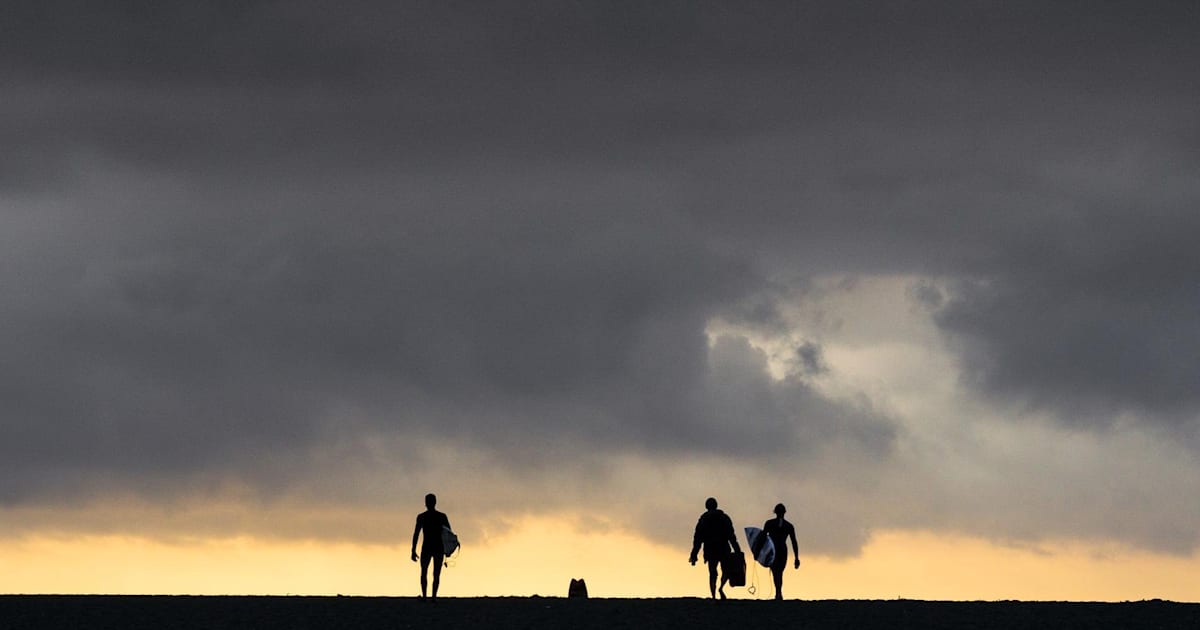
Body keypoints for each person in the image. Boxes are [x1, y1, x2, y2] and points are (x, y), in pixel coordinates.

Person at [689, 497, 741, 600]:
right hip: (723, 548)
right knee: (726, 571)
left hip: (710, 549)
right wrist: (737, 550)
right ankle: (721, 588)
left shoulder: (703, 519)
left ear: (706, 507)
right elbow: (731, 535)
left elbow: (698, 538)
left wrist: (694, 554)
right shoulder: (724, 517)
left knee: (712, 572)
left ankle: (713, 596)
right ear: (716, 505)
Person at [411, 493, 451, 600]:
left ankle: (425, 596)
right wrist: (448, 550)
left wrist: (413, 550)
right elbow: (449, 534)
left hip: (428, 547)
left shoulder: (422, 517)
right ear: (435, 502)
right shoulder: (441, 516)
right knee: (435, 573)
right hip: (437, 547)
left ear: (425, 503)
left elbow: (416, 534)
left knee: (425, 572)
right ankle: (433, 597)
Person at [762, 503, 800, 600]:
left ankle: (778, 592)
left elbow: (762, 539)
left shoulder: (769, 523)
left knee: (776, 571)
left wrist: (758, 552)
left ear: (775, 512)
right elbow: (794, 542)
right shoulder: (788, 526)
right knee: (779, 572)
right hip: (782, 550)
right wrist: (796, 558)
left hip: (773, 550)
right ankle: (778, 592)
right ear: (784, 512)